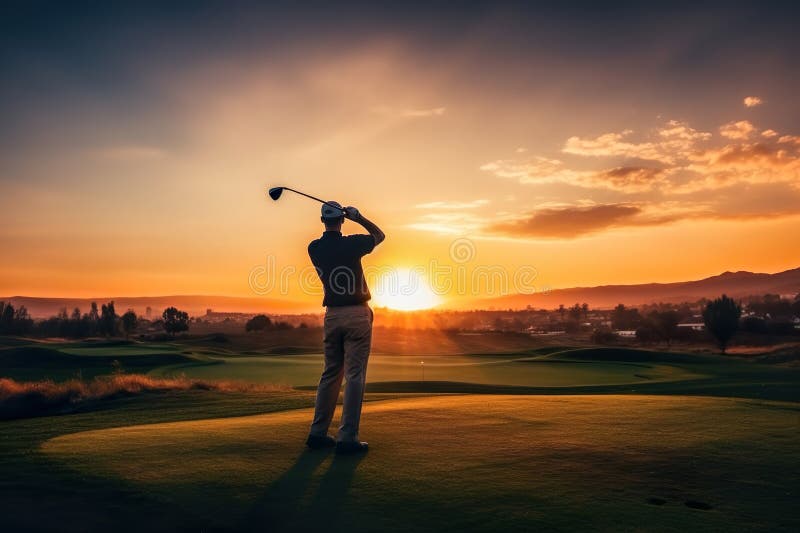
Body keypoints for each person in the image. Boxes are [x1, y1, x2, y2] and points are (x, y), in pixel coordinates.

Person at [305, 201, 385, 454]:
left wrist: (343, 217)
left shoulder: (314, 248)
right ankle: (347, 437)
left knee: (330, 374)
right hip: (357, 314)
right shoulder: (351, 243)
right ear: (341, 220)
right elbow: (379, 236)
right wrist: (358, 217)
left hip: (332, 316)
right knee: (354, 376)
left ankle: (317, 433)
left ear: (321, 221)